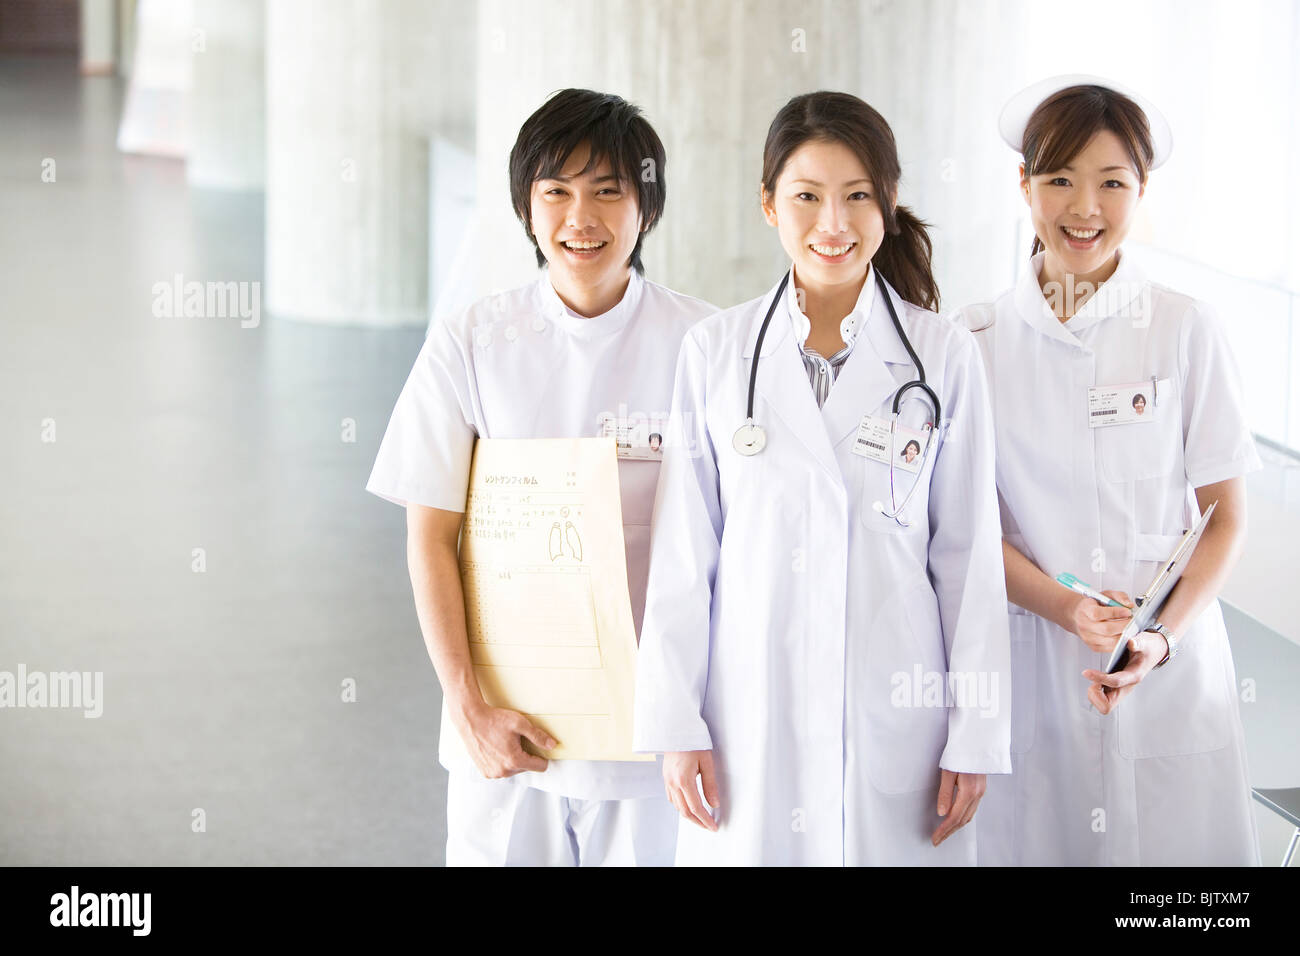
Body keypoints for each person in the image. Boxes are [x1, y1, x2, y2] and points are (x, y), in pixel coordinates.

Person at [633, 91, 1011, 866]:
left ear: (890, 204)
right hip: (749, 711)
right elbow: (683, 558)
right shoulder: (715, 353)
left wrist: (975, 731)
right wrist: (676, 726)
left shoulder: (941, 357)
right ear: (769, 204)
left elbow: (969, 559)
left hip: (899, 710)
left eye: (857, 196)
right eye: (807, 197)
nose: (832, 224)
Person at [366, 88, 717, 866]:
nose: (579, 218)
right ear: (526, 209)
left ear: (646, 209)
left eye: (608, 191)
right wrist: (468, 706)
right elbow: (432, 536)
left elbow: (733, 543)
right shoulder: (471, 342)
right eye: (555, 192)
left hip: (651, 740)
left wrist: (700, 720)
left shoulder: (703, 346)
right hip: (509, 733)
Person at [960, 76, 1261, 866]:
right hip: (1033, 663)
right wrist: (1063, 608)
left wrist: (1158, 637)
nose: (1083, 207)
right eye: (1058, 179)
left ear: (1142, 190)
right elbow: (966, 528)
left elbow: (1224, 514)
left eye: (1111, 183)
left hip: (1171, 660)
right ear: (1022, 185)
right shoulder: (975, 341)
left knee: (1178, 899)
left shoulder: (1184, 327)